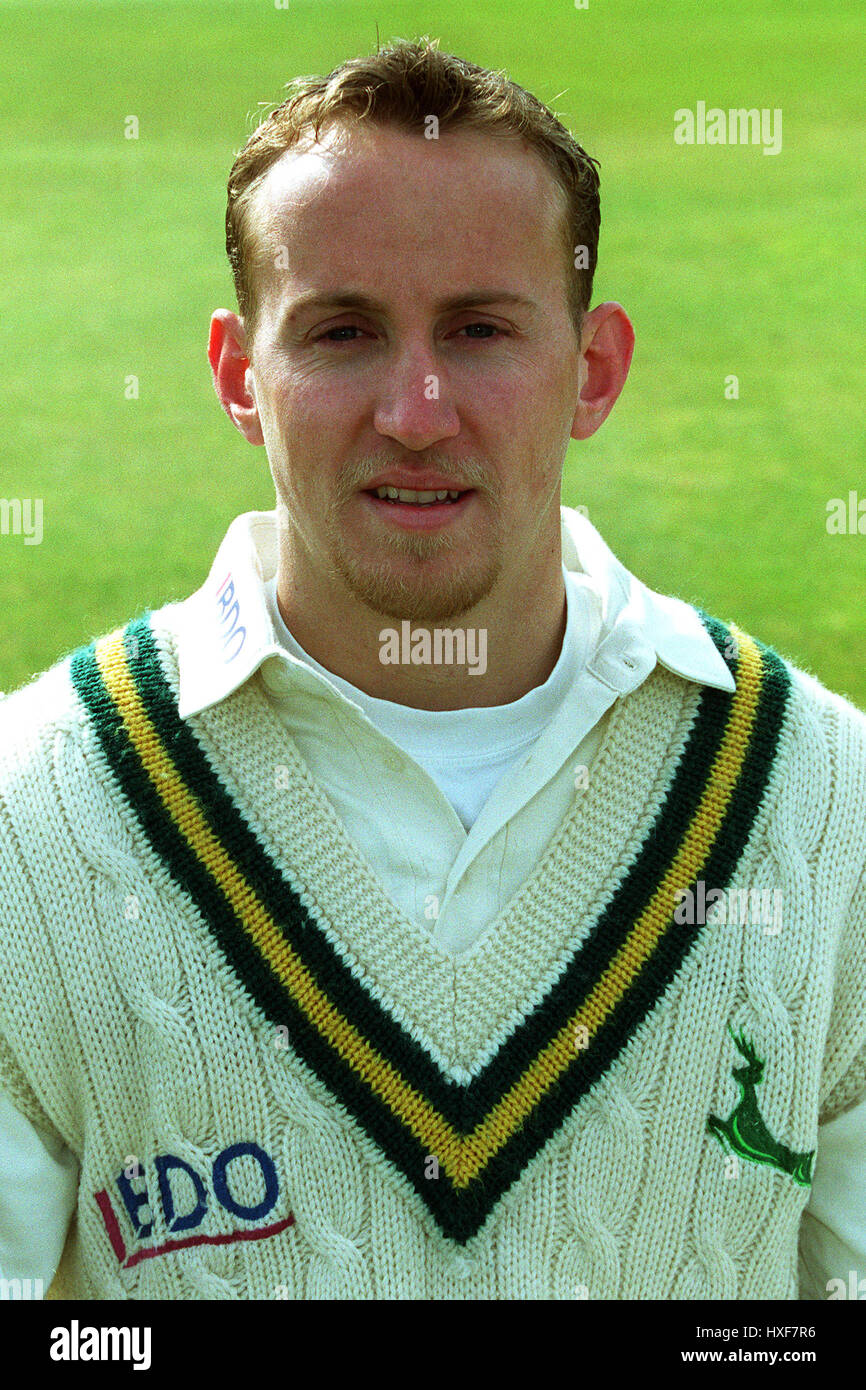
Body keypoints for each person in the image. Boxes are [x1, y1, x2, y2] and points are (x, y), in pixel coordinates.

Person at [0, 35, 864, 1302]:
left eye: (478, 330)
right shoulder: (33, 818)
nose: (414, 410)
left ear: (593, 369)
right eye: (341, 331)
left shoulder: (824, 804)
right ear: (242, 379)